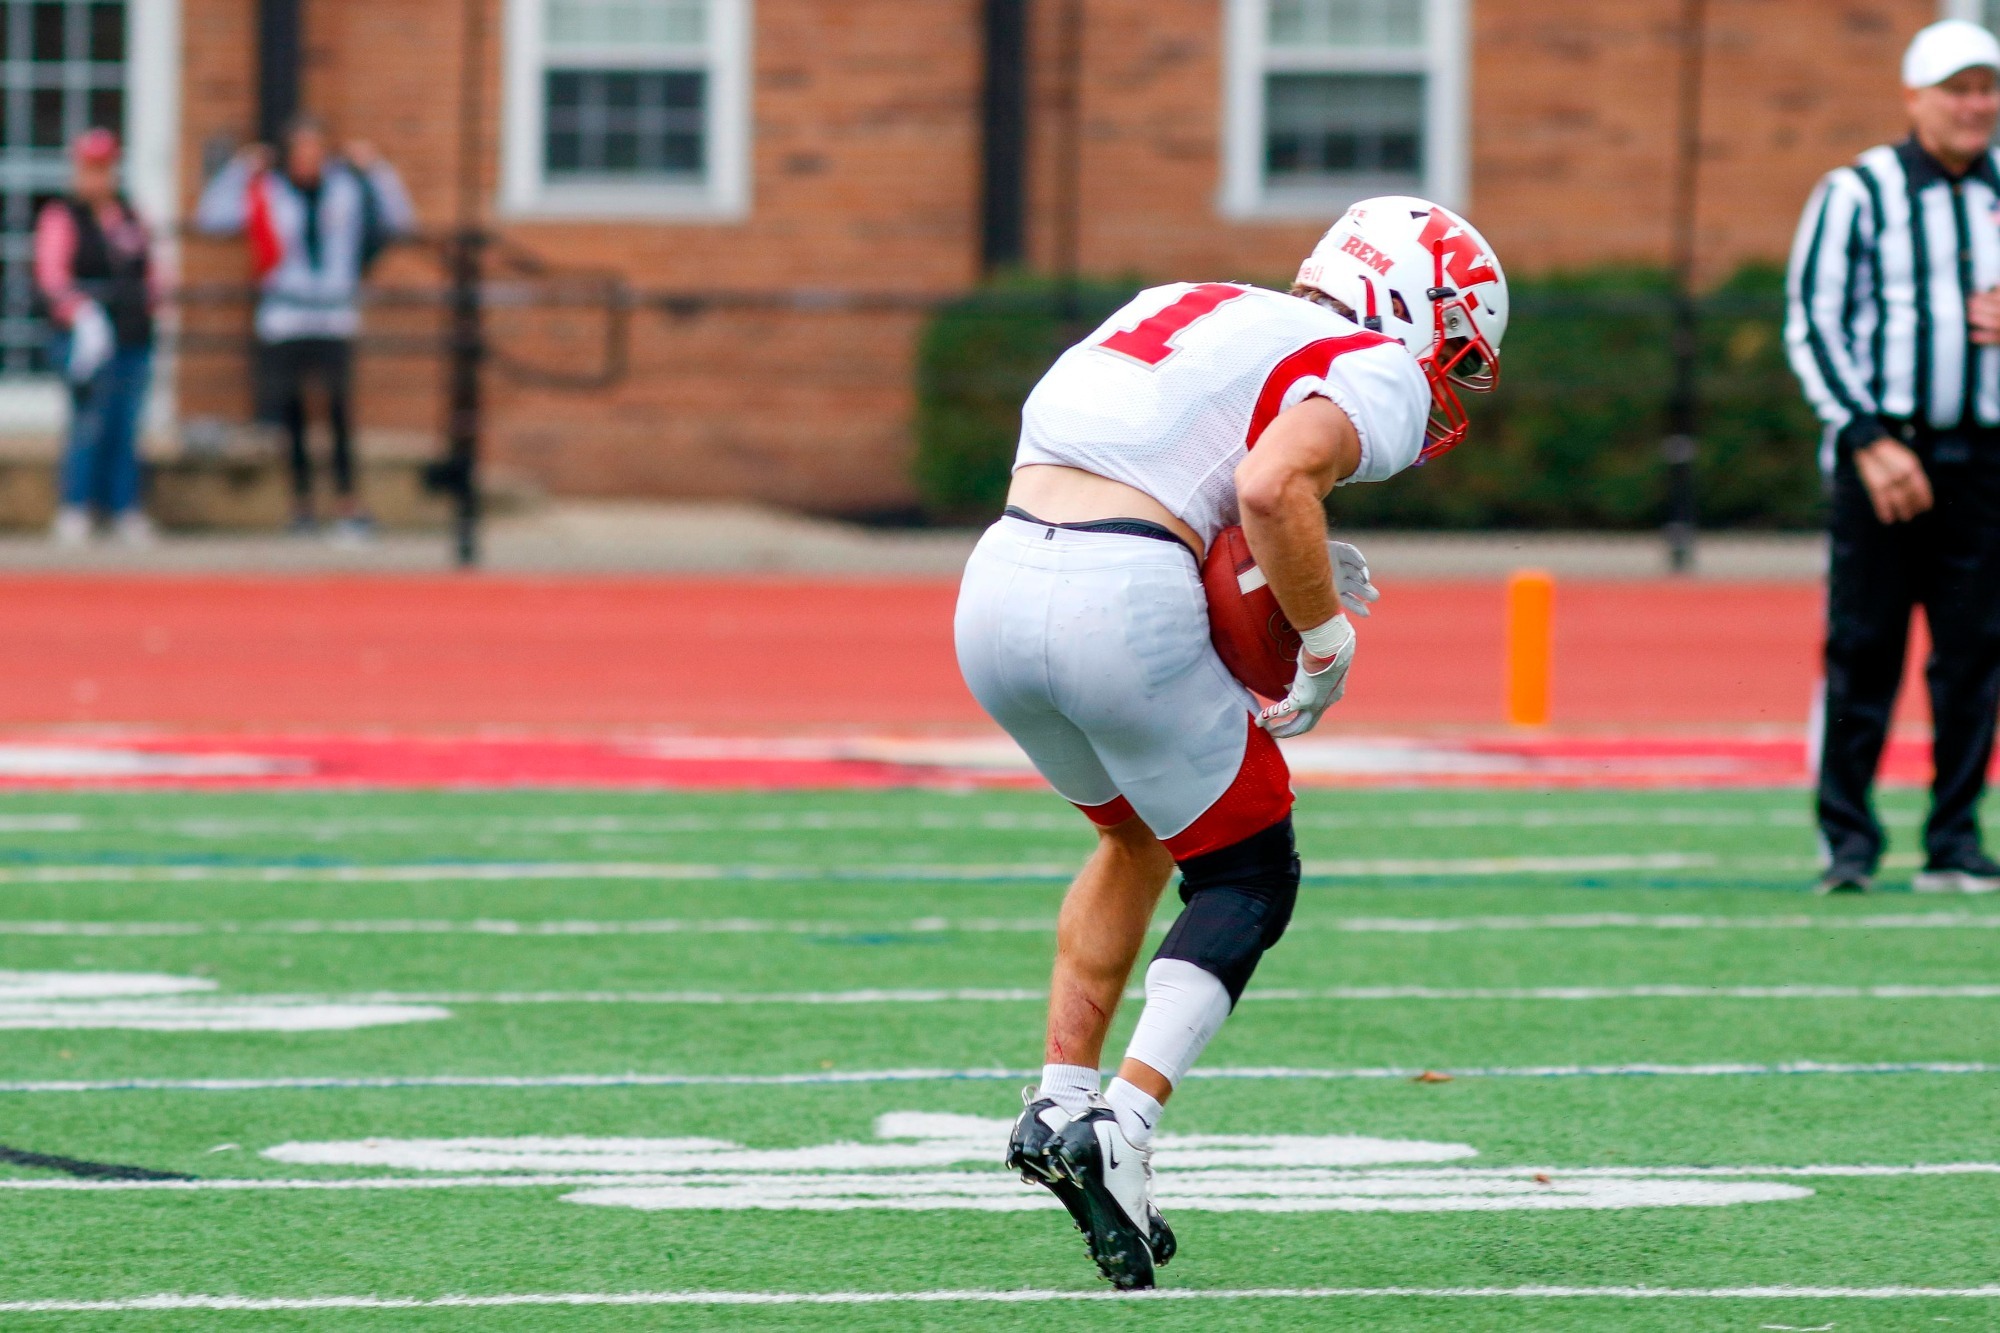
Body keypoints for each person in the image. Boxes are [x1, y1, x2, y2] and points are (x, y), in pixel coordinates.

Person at [954, 197, 1507, 1287]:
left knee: (1132, 837)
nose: (1439, 376)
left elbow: (1188, 473)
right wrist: (1320, 634)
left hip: (996, 583)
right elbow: (1266, 485)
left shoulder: (1179, 300)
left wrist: (1274, 558)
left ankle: (1058, 1098)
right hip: (1117, 592)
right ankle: (1123, 1124)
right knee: (1249, 870)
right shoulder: (1367, 359)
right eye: (1447, 346)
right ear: (1405, 302)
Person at [1785, 19, 2000, 896]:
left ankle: (1955, 837)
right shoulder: (1858, 192)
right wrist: (1867, 437)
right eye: (1957, 88)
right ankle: (1850, 840)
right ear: (1916, 98)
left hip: (1984, 458)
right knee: (1864, 648)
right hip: (1885, 456)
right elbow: (1813, 321)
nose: (1975, 104)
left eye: (1986, 88)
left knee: (1974, 651)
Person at [195, 115, 414, 540]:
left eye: (316, 150)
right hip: (284, 315)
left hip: (334, 314)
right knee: (290, 413)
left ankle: (348, 502)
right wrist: (241, 169)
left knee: (338, 410)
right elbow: (212, 219)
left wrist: (378, 170)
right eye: (301, 151)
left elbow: (400, 222)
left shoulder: (347, 189)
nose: (309, 160)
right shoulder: (268, 191)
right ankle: (301, 506)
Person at [35, 128, 161, 546]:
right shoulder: (62, 216)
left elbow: (150, 271)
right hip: (82, 341)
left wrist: (151, 303)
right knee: (87, 424)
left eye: (104, 169)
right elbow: (52, 277)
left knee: (126, 426)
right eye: (89, 169)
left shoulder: (128, 215)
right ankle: (76, 506)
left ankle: (124, 507)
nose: (96, 179)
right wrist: (81, 312)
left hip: (131, 336)